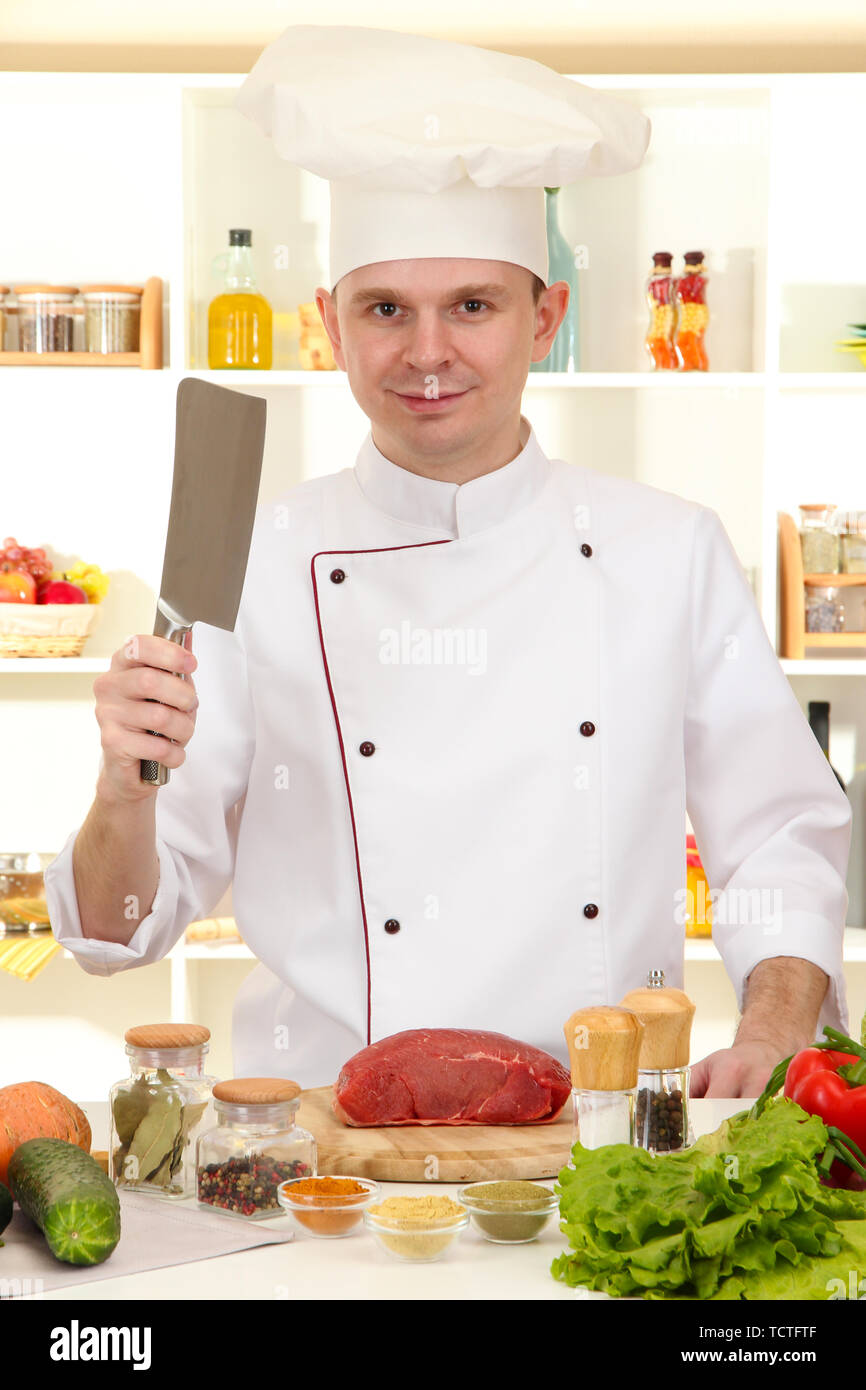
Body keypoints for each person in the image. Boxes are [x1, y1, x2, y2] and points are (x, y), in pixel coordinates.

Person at [45, 27, 851, 1095]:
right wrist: (122, 792)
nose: (427, 354)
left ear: (543, 318)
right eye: (386, 310)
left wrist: (772, 1026)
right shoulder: (249, 562)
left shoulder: (668, 549)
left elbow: (777, 837)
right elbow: (120, 931)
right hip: (317, 1149)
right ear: (330, 326)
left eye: (471, 305)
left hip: (595, 1133)